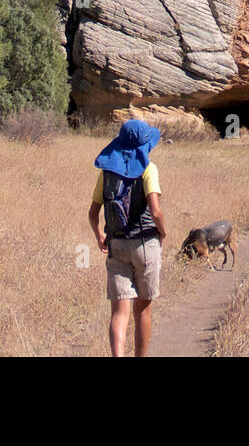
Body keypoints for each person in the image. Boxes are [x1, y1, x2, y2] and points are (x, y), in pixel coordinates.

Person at [88, 118, 166, 356]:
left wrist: (100, 236)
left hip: (117, 244)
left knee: (118, 313)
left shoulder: (107, 173)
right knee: (142, 310)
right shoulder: (149, 169)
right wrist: (163, 232)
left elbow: (93, 214)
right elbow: (155, 210)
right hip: (145, 243)